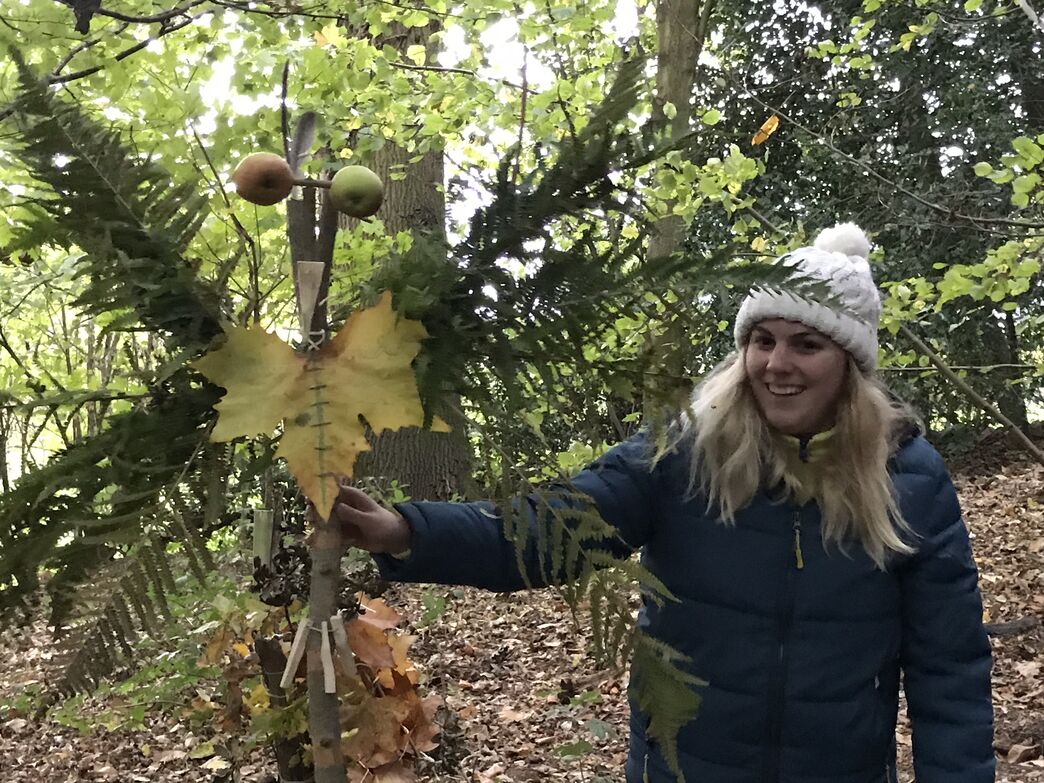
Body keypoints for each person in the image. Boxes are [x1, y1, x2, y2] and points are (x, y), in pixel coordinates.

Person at [331, 224, 995, 783]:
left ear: (850, 361)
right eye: (763, 340)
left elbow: (949, 668)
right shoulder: (683, 453)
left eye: (807, 344)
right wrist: (404, 530)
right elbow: (551, 527)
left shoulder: (908, 477)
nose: (776, 363)